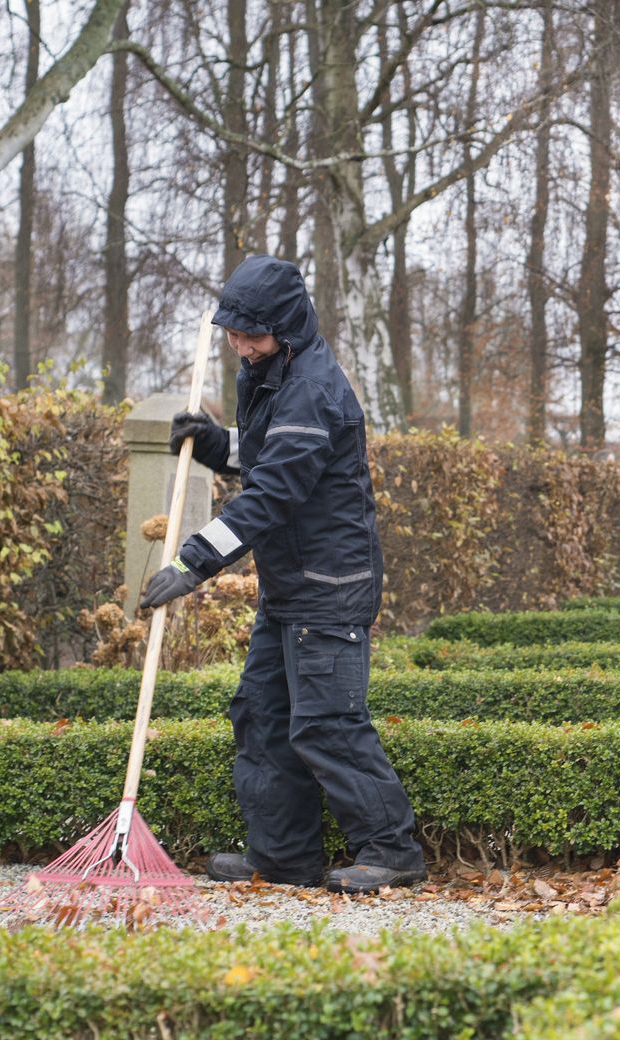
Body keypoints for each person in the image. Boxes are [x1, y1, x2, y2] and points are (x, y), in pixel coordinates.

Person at [138, 255, 427, 895]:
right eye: (234, 334)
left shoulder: (315, 388)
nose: (241, 345)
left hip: (329, 589)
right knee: (261, 713)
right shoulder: (271, 372)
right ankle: (284, 857)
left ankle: (391, 851)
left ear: (287, 328)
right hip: (288, 586)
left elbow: (272, 493)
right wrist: (216, 444)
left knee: (327, 722)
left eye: (253, 335)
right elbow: (266, 450)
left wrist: (193, 561)